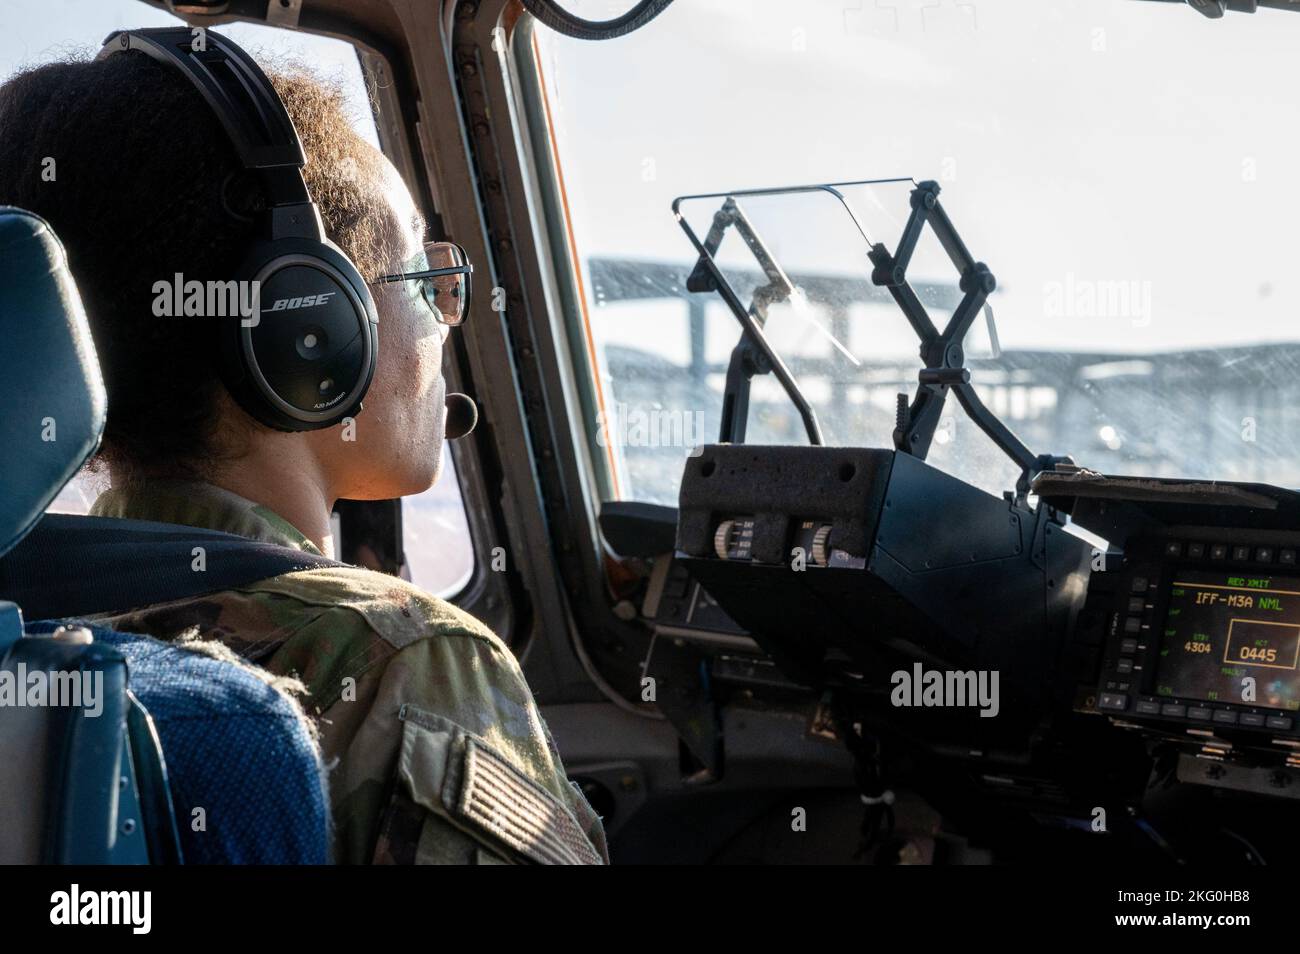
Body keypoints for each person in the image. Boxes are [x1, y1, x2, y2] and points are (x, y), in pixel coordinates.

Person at [0, 41, 607, 865]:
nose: (446, 319)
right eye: (421, 282)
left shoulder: (34, 617)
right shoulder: (405, 658)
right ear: (308, 329)